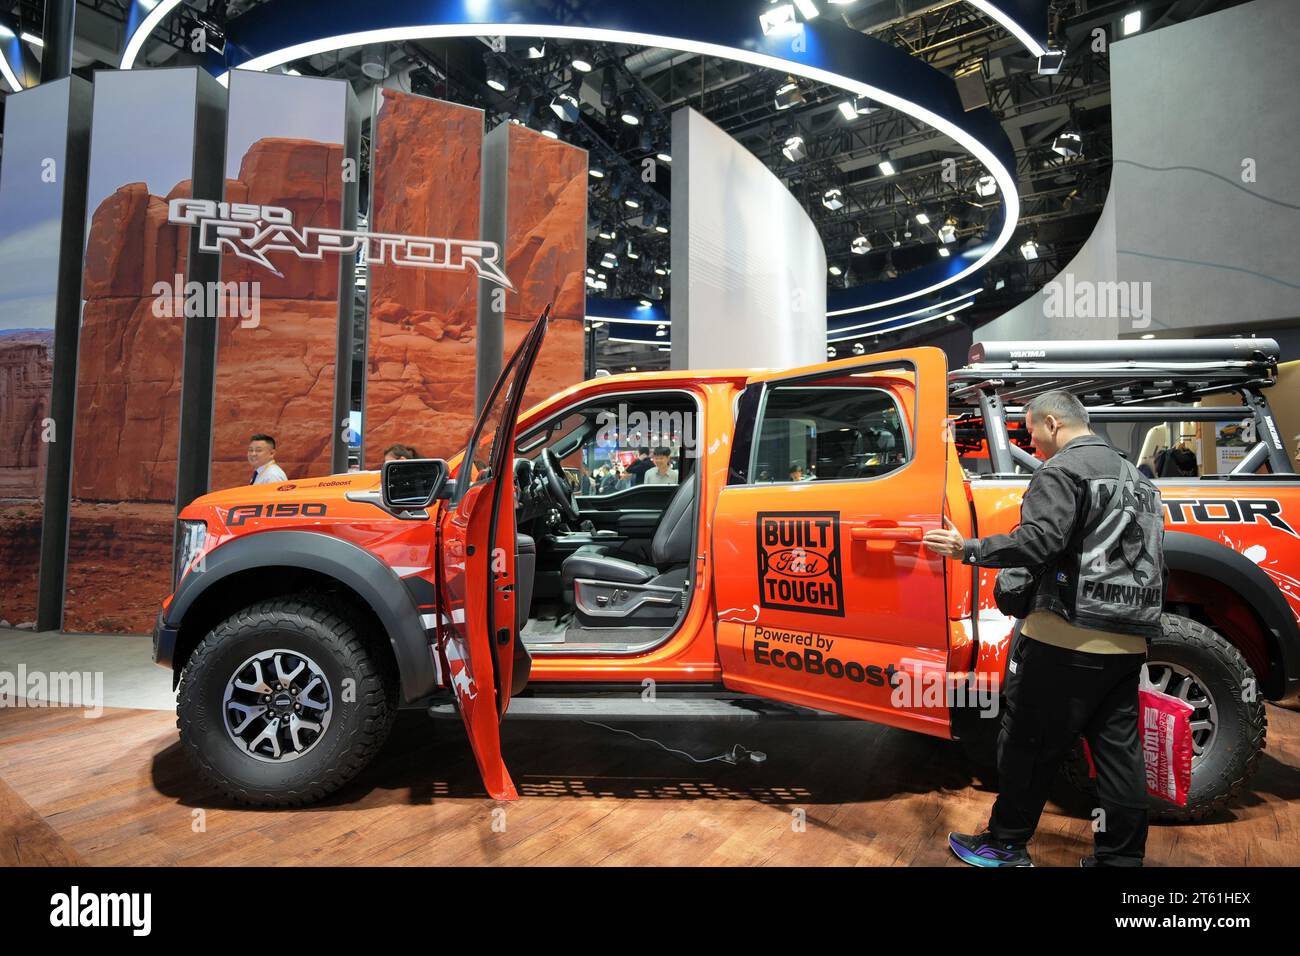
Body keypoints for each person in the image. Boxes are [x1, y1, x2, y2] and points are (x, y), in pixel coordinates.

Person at [922, 390, 1165, 868]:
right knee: (1119, 755)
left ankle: (1005, 844)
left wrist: (966, 548)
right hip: (1128, 641)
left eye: (1031, 429)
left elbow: (1037, 542)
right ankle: (1119, 861)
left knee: (1028, 745)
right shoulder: (1140, 480)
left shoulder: (1060, 471)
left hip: (1064, 639)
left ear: (1053, 423)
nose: (1029, 441)